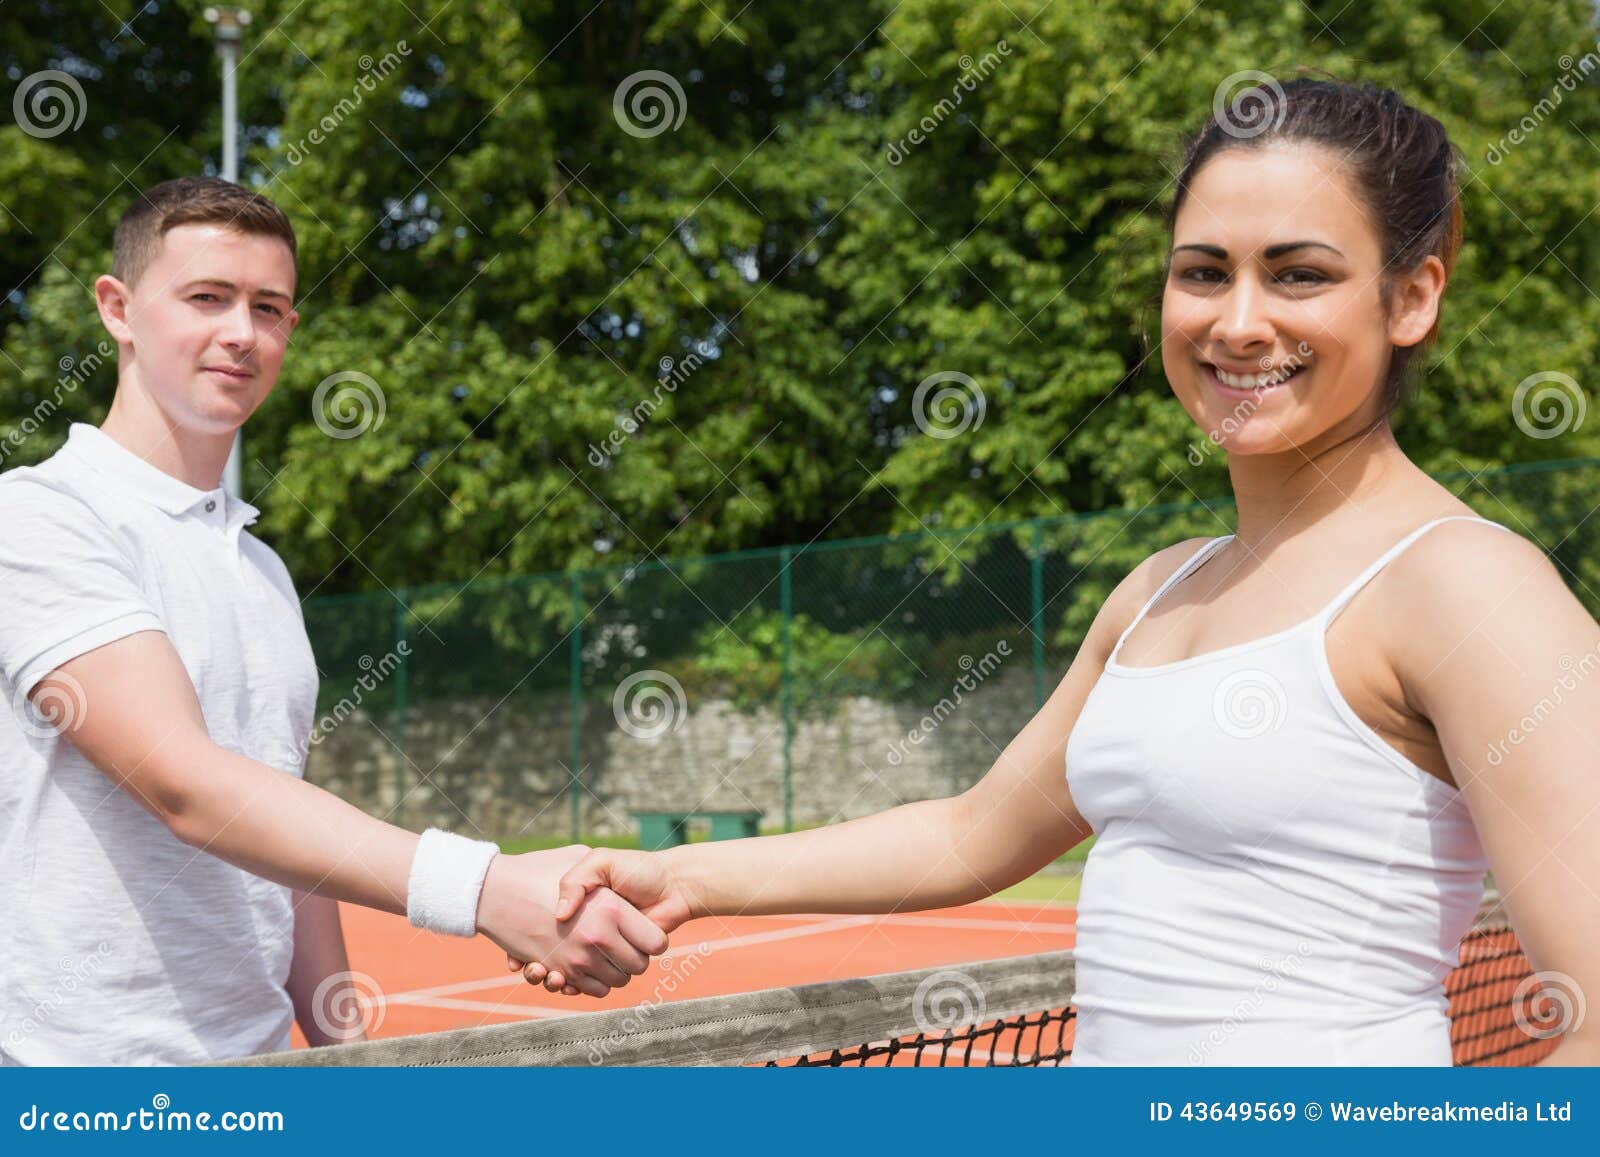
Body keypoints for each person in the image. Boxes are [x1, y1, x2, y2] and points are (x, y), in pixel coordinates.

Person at [520, 78, 1600, 1065]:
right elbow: (968, 834)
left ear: (1411, 297)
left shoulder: (1468, 585)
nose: (1236, 321)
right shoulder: (1157, 589)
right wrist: (686, 877)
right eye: (1201, 272)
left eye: (1299, 274)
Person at [0, 177, 667, 1066]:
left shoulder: (262, 571)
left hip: (257, 1076)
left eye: (269, 307)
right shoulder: (38, 518)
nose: (242, 331)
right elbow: (188, 789)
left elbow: (284, 841)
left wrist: (346, 1053)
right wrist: (486, 888)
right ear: (117, 309)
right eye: (207, 297)